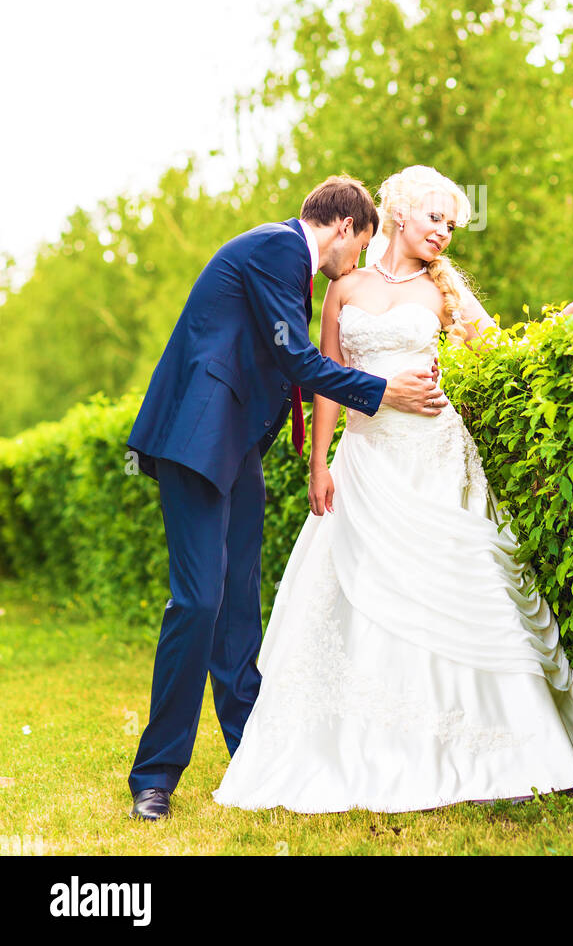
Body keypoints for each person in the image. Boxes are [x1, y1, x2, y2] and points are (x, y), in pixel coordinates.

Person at [213, 165, 573, 814]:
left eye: (453, 224)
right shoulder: (344, 289)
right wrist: (320, 464)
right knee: (364, 600)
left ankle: (480, 744)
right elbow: (326, 382)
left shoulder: (443, 291)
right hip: (368, 463)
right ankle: (366, 745)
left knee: (452, 586)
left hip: (435, 459)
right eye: (435, 218)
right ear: (399, 214)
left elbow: (501, 349)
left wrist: (571, 315)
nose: (444, 233)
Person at [126, 175, 448, 821]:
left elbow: (276, 362)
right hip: (197, 438)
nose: (352, 267)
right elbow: (296, 358)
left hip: (235, 444)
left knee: (240, 602)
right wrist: (383, 392)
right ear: (344, 228)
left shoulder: (281, 259)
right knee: (199, 601)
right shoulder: (278, 248)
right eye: (359, 248)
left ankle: (250, 750)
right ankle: (155, 775)